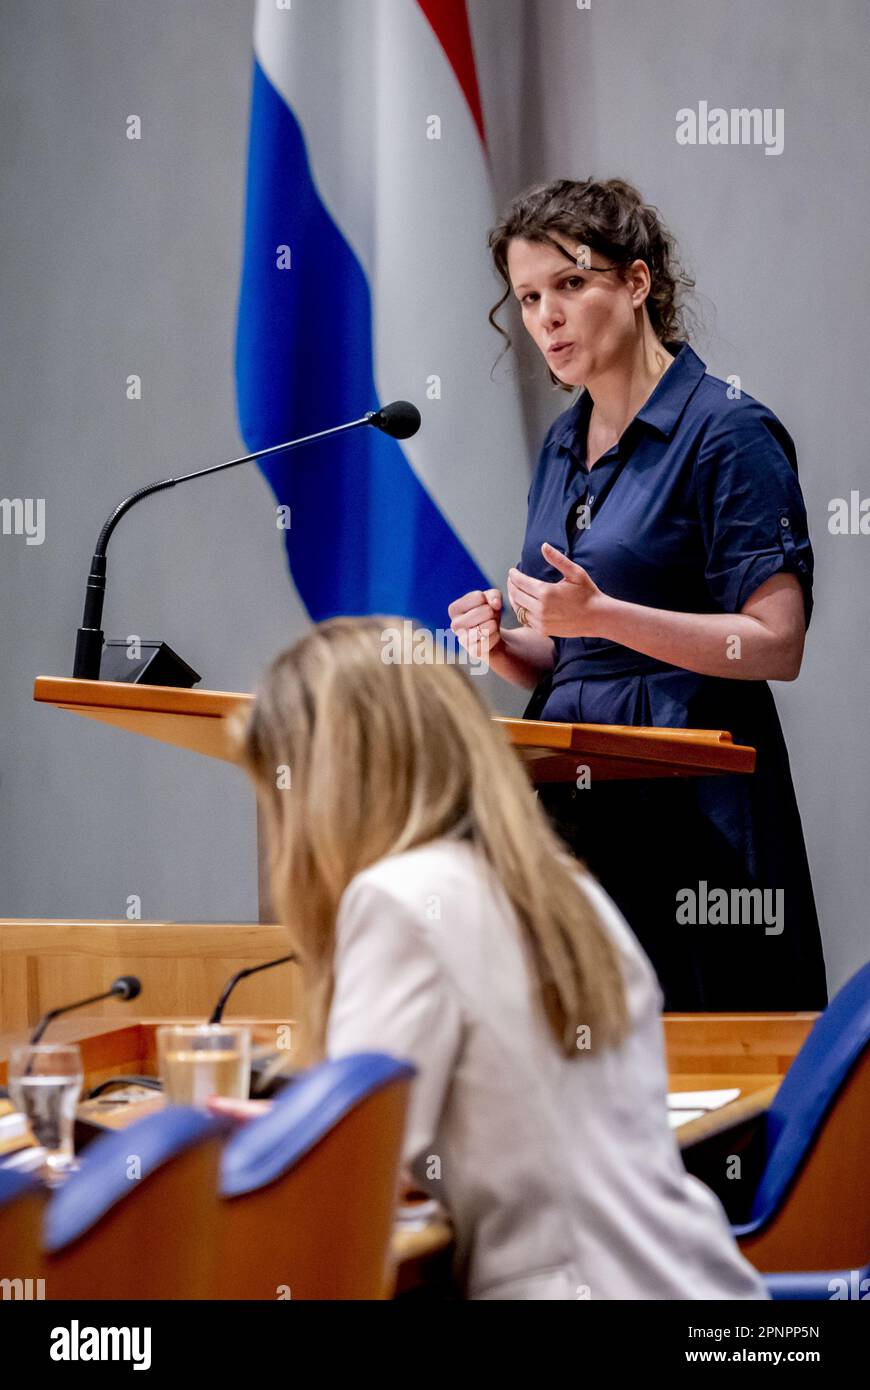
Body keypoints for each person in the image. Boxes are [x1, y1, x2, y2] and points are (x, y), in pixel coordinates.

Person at [214, 616, 767, 1300]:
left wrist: (258, 1151)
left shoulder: (398, 900)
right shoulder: (561, 884)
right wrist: (306, 1126)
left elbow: (353, 1183)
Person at [449, 176, 827, 1012]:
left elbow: (776, 642)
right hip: (573, 792)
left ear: (636, 282)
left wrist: (602, 613)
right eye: (529, 296)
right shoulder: (559, 444)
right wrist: (510, 645)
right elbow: (579, 657)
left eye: (571, 284)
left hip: (691, 798)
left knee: (697, 1041)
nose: (546, 316)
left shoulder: (727, 430)